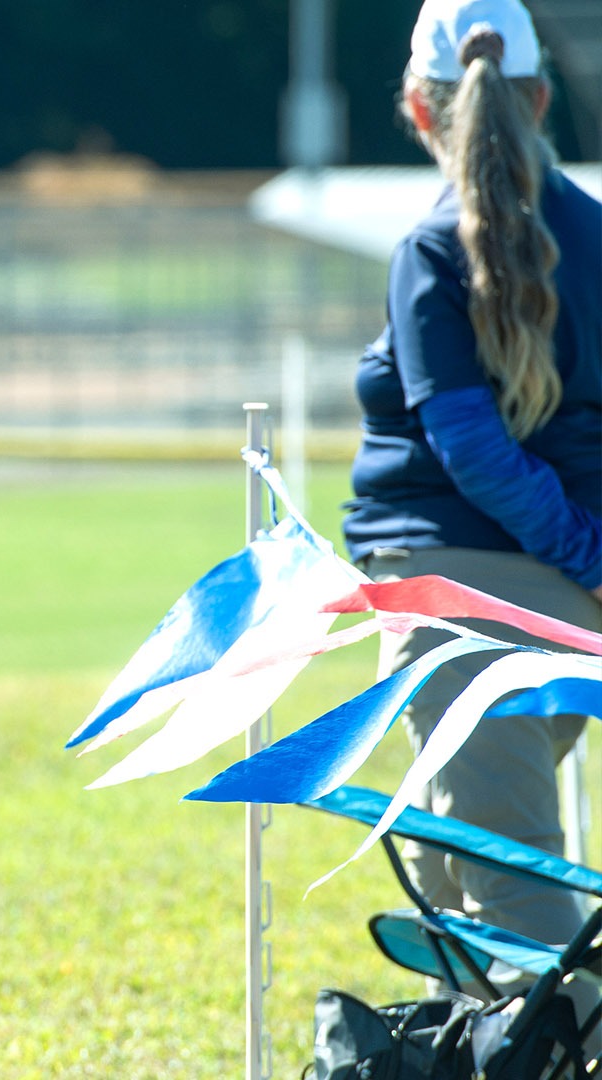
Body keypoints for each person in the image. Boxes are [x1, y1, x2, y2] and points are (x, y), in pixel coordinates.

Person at [344, 0, 602, 988]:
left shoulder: (429, 251)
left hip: (458, 610)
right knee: (458, 888)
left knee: (510, 903)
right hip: (570, 608)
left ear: (417, 108)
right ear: (540, 98)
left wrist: (587, 556)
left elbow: (471, 451)